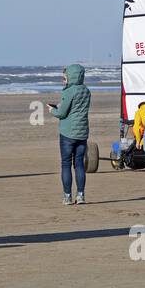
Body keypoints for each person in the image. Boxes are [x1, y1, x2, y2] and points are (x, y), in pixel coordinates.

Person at [46, 63, 91, 205]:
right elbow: (76, 109)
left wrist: (52, 110)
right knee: (79, 164)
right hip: (82, 132)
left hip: (68, 133)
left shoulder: (69, 91)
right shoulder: (86, 91)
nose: (63, 80)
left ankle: (67, 196)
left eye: (64, 77)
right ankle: (81, 195)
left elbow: (62, 113)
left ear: (70, 77)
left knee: (66, 164)